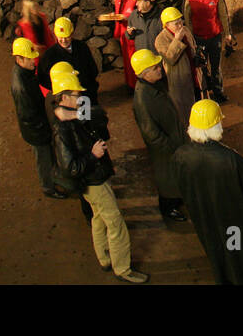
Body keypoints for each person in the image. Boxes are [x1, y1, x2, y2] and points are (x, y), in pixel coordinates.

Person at [49, 65, 148, 283]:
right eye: (76, 94)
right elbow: (71, 167)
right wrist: (94, 156)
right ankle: (123, 268)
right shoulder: (63, 129)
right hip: (93, 181)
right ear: (64, 97)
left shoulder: (70, 116)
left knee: (98, 217)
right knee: (115, 223)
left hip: (93, 178)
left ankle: (104, 257)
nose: (81, 96)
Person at [168, 99, 243, 285]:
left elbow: (179, 184)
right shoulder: (230, 158)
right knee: (236, 250)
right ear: (216, 125)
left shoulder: (180, 155)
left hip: (203, 217)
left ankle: (223, 277)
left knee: (214, 247)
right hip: (232, 220)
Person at [130, 49, 188, 224]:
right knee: (167, 180)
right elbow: (151, 134)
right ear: (145, 73)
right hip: (166, 150)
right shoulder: (142, 98)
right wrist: (171, 148)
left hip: (174, 141)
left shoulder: (154, 86)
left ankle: (176, 200)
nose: (160, 69)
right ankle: (168, 208)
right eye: (155, 68)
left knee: (175, 177)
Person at [9, 38, 64, 199]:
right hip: (36, 130)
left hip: (36, 127)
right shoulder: (21, 86)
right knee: (44, 158)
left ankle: (55, 178)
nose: (34, 61)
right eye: (30, 58)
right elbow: (28, 114)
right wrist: (45, 129)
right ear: (19, 59)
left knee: (47, 156)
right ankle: (48, 187)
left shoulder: (23, 72)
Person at [184, 0, 235, 103]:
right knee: (201, 67)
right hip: (199, 37)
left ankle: (219, 92)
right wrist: (191, 39)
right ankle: (204, 93)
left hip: (214, 35)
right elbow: (187, 18)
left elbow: (223, 14)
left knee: (216, 66)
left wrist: (228, 34)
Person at [154, 6, 200, 125]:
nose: (180, 26)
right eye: (176, 23)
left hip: (193, 74)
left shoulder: (186, 30)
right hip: (179, 80)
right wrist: (177, 40)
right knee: (184, 111)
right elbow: (169, 58)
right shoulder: (160, 40)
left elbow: (193, 46)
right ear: (166, 25)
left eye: (181, 21)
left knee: (199, 103)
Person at [39, 16, 99, 101]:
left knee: (87, 114)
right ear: (56, 35)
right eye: (60, 37)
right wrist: (59, 89)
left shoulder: (82, 48)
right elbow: (42, 78)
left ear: (72, 34)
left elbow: (93, 70)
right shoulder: (49, 56)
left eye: (66, 36)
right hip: (66, 99)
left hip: (87, 94)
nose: (63, 40)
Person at [111, 0, 139, 90]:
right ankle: (129, 83)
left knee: (132, 57)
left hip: (130, 31)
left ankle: (135, 83)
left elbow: (128, 15)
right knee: (126, 59)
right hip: (122, 31)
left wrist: (119, 16)